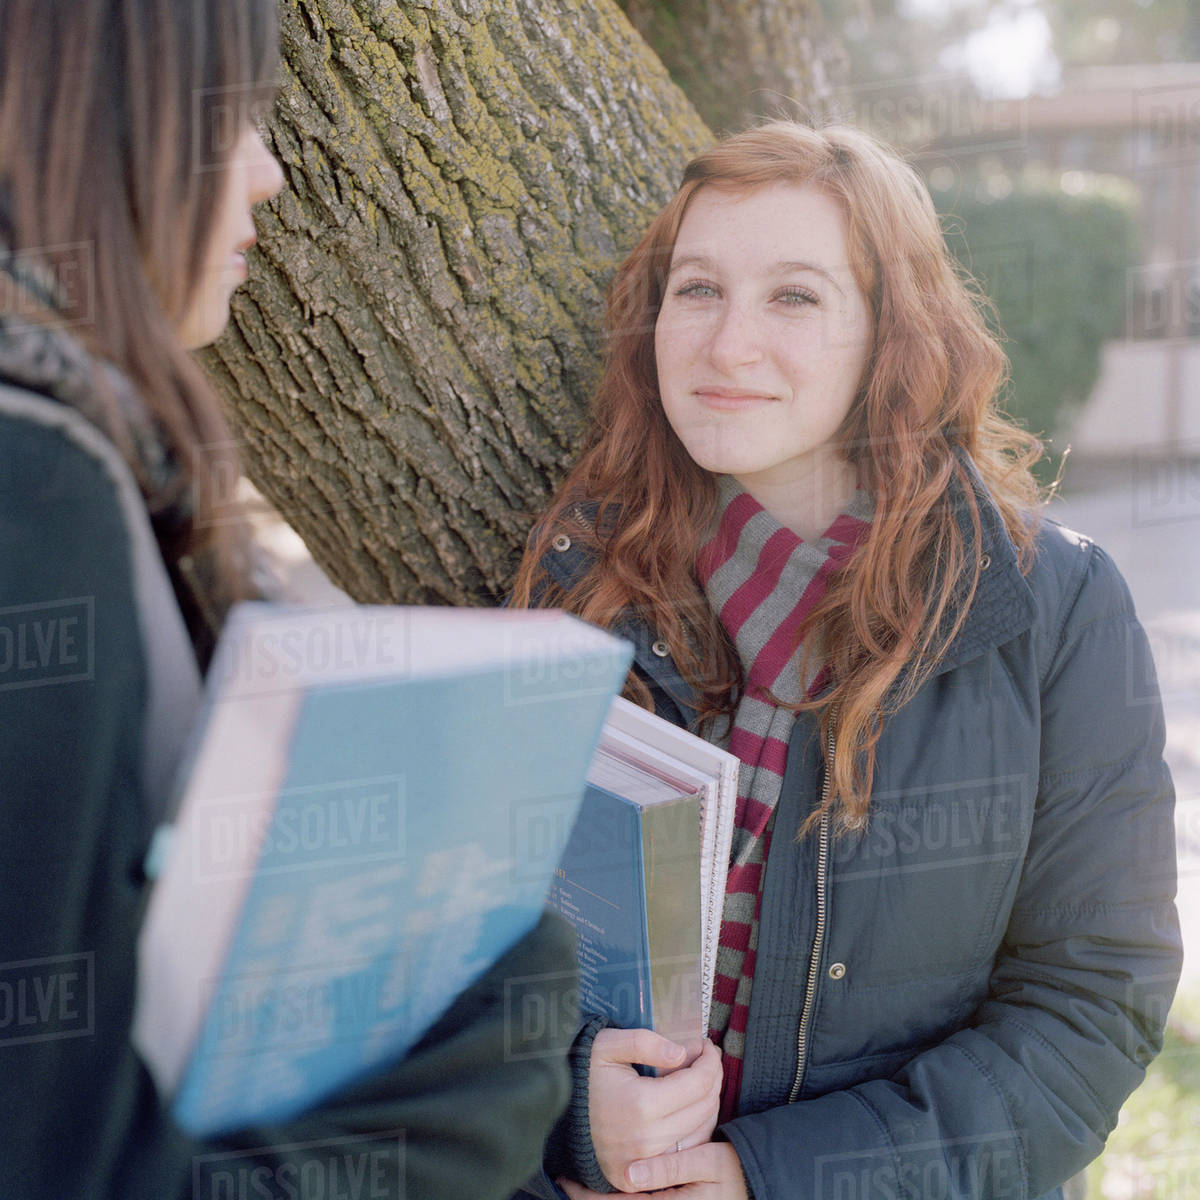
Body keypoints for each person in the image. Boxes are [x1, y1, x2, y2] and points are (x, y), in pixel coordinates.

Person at [510, 121, 1182, 1200]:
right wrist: (560, 1097)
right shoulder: (584, 572)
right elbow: (468, 944)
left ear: (889, 335)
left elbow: (1090, 1004)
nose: (728, 346)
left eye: (794, 297)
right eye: (697, 289)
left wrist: (767, 1181)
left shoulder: (1053, 609)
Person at [0, 1, 577, 1195]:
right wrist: (492, 1053)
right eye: (237, 123)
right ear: (98, 124)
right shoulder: (36, 492)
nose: (269, 178)